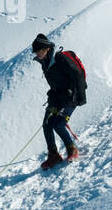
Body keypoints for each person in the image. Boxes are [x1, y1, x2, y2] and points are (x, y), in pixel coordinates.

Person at [31, 33, 83, 169]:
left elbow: (77, 76)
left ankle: (72, 149)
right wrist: (52, 100)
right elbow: (55, 85)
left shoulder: (59, 59)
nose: (37, 53)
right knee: (47, 124)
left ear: (47, 48)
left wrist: (78, 96)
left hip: (72, 97)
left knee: (59, 124)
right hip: (57, 97)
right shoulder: (45, 63)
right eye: (36, 51)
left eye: (39, 50)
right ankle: (53, 155)